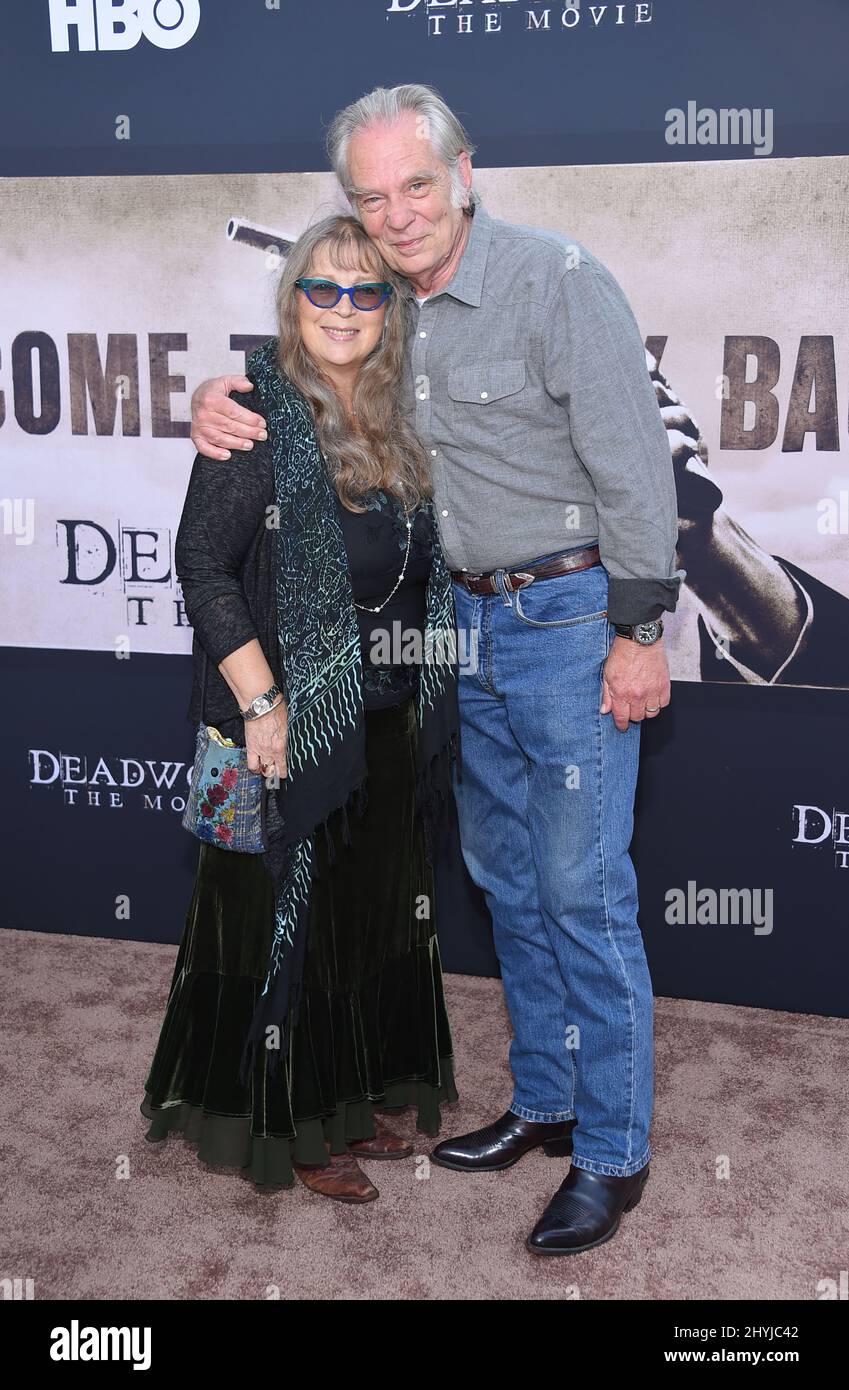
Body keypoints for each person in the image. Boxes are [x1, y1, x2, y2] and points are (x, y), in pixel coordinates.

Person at [189, 84, 683, 1254]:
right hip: (457, 629)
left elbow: (634, 462)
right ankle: (549, 1101)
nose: (398, 214)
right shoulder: (391, 309)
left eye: (417, 184)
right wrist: (215, 398)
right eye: (372, 195)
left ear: (467, 171)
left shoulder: (556, 279)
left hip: (570, 616)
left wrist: (642, 631)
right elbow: (311, 379)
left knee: (581, 887)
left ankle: (614, 1153)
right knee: (507, 877)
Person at [141, 212, 461, 1204]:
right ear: (293, 299)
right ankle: (292, 1119)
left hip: (391, 719)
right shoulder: (254, 411)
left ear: (390, 310)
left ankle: (346, 1092)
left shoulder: (405, 419)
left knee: (363, 922)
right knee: (294, 921)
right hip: (289, 729)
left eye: (366, 291)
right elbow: (203, 564)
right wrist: (264, 701)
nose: (343, 307)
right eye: (322, 287)